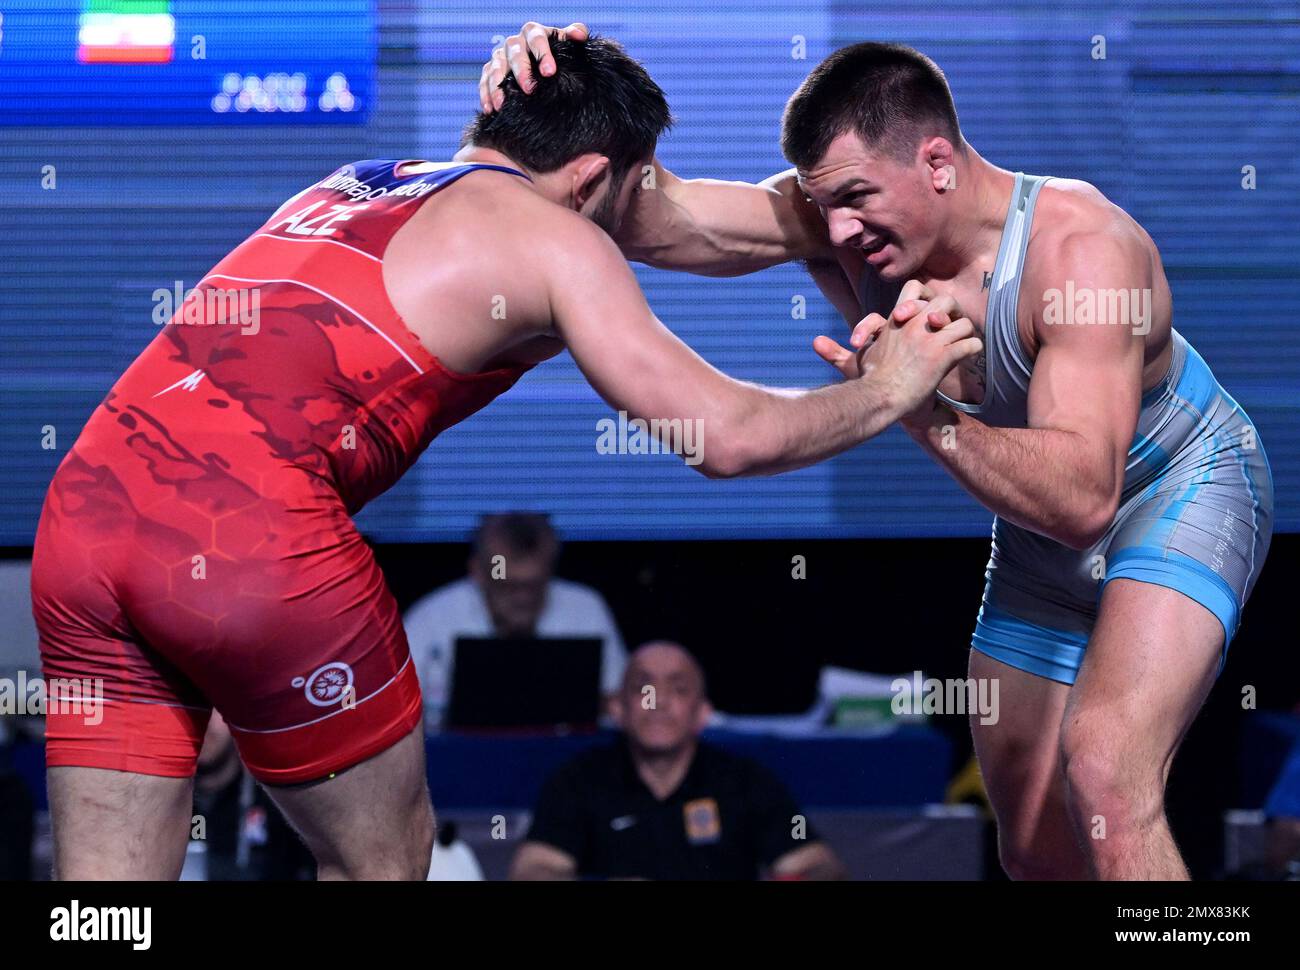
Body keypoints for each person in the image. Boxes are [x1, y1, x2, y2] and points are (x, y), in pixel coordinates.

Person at [31, 33, 978, 880]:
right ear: (591, 178)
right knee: (384, 866)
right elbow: (723, 438)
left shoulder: (348, 181)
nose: (650, 212)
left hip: (85, 519)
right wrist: (887, 390)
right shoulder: (561, 240)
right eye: (641, 185)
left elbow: (685, 222)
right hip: (248, 542)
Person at [486, 24, 1274, 879]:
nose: (840, 230)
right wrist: (559, 90)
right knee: (1036, 846)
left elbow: (1084, 500)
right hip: (1038, 527)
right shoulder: (850, 217)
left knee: (1107, 772)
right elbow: (649, 216)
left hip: (1175, 488)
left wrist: (910, 400)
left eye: (857, 197)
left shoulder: (1081, 253)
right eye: (824, 205)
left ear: (937, 162)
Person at [510, 641, 846, 880]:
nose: (660, 702)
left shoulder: (745, 781)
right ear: (618, 709)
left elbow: (821, 866)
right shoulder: (577, 781)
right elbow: (532, 869)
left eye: (679, 689)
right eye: (644, 688)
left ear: (703, 713)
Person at [403, 512, 627, 730]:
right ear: (477, 571)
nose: (522, 599)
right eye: (509, 586)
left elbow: (619, 701)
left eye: (533, 587)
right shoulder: (430, 619)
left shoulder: (586, 609)